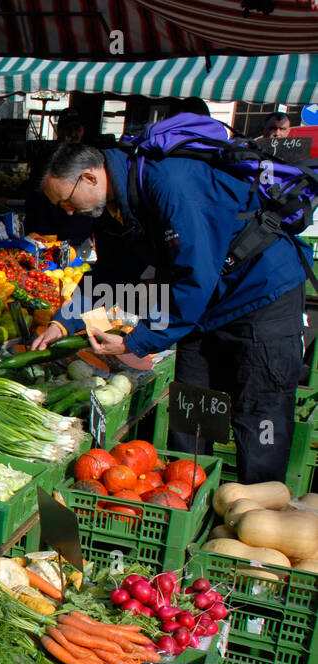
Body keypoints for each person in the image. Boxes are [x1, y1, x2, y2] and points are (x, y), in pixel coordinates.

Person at [30, 134, 308, 483]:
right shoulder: (115, 206)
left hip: (261, 295)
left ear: (89, 176)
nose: (69, 212)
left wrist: (136, 342)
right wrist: (63, 323)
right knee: (192, 407)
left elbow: (194, 280)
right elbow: (112, 275)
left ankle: (260, 503)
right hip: (207, 307)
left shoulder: (170, 186)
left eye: (67, 201)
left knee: (258, 410)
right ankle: (189, 492)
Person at [24, 112, 94, 244]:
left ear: (83, 131)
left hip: (78, 232)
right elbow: (34, 195)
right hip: (47, 232)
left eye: (77, 129)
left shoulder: (90, 159)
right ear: (59, 130)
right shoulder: (46, 157)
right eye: (68, 129)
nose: (73, 134)